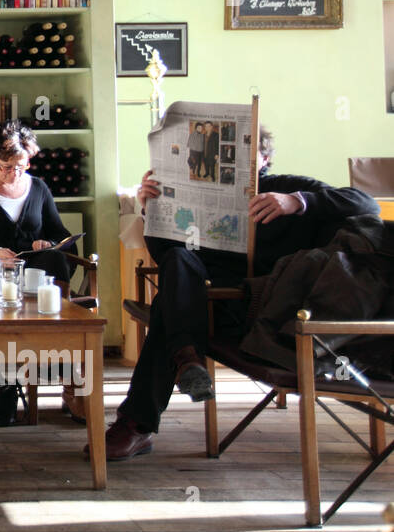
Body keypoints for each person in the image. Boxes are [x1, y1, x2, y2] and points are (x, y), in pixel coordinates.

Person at [102, 127, 380, 461]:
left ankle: (144, 414)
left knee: (168, 308)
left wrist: (297, 202)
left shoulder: (284, 188)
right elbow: (166, 256)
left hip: (265, 311)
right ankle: (185, 363)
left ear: (264, 159)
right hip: (207, 304)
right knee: (177, 262)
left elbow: (366, 203)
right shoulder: (196, 196)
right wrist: (151, 210)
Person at [0, 120, 75, 285]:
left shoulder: (38, 188)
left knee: (55, 258)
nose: (15, 174)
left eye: (21, 166)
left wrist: (48, 243)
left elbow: (61, 235)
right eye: (7, 167)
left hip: (32, 271)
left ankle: (57, 308)